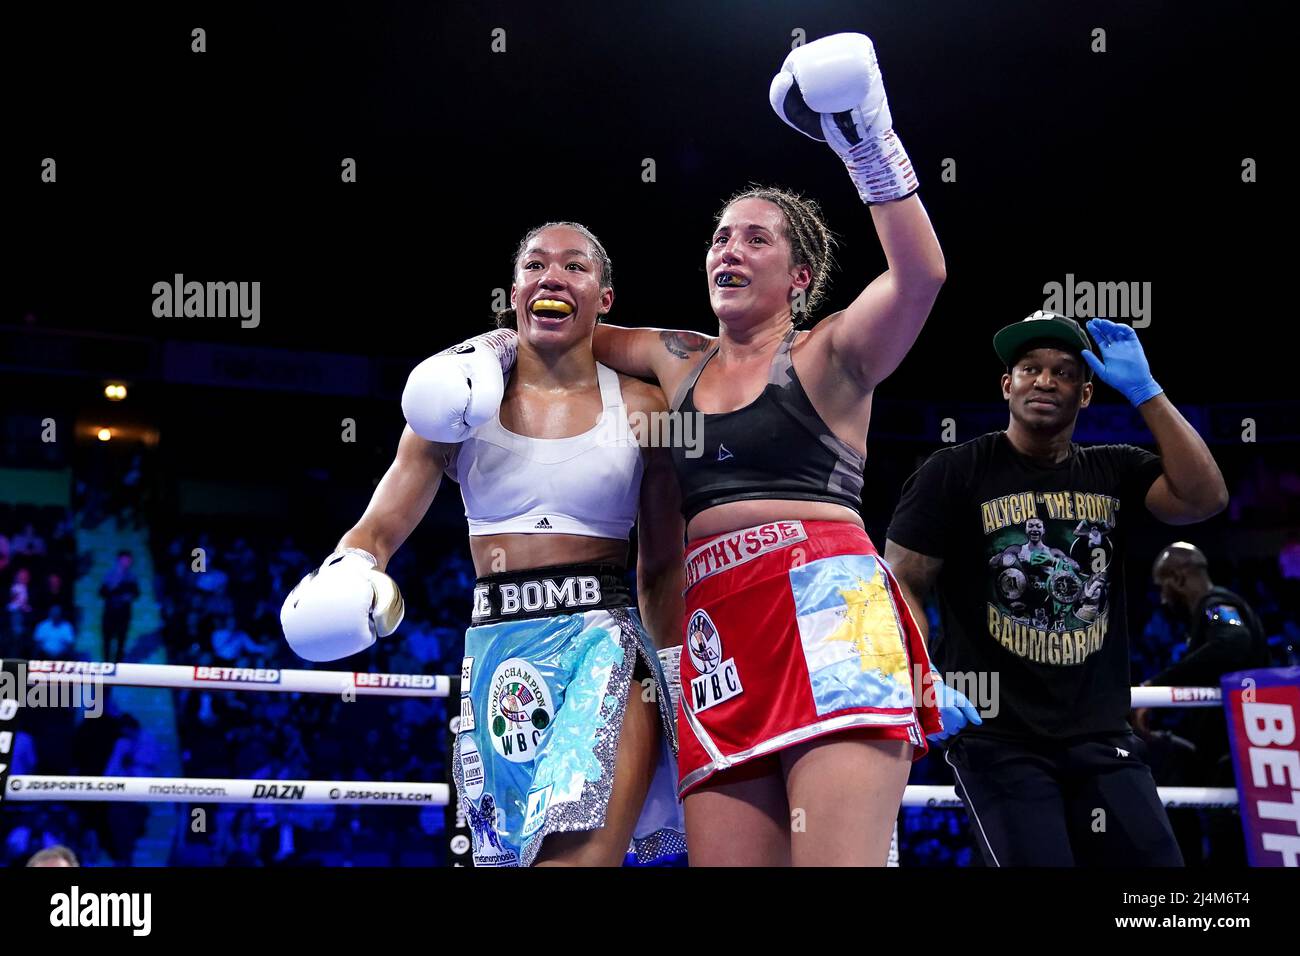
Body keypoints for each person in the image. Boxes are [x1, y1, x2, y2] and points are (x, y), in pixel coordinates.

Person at [461, 33, 962, 865]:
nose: (729, 250)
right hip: (716, 632)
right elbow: (558, 319)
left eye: (756, 240)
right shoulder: (676, 356)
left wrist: (865, 141)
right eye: (721, 238)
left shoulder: (831, 354)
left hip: (827, 609)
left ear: (800, 278)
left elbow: (922, 278)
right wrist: (474, 356)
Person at [283, 222, 684, 867]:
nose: (552, 276)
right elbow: (379, 527)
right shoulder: (456, 407)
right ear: (514, 291)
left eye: (575, 266)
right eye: (535, 265)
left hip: (605, 648)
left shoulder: (645, 408)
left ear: (604, 298)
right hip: (498, 648)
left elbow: (663, 567)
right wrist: (351, 567)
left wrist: (675, 677)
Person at [885, 310, 1229, 866]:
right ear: (1007, 385)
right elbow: (902, 580)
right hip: (995, 738)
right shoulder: (954, 471)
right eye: (1029, 369)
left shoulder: (1114, 470)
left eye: (1064, 373)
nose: (1045, 381)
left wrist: (1145, 391)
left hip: (1101, 735)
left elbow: (1203, 500)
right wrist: (922, 680)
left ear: (1087, 393)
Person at [1139, 541, 1271, 864]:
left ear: (1179, 578)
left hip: (1238, 752)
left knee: (1229, 843)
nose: (1163, 598)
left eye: (1163, 586)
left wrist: (1155, 686)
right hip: (1228, 751)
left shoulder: (1217, 605)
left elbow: (1232, 643)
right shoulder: (1205, 617)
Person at [99, 550, 140, 662]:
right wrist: (114, 584)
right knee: (107, 640)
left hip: (124, 613)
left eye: (129, 560)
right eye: (124, 560)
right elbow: (102, 593)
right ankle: (106, 664)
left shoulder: (132, 577)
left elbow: (136, 593)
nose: (127, 562)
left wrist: (129, 597)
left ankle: (118, 665)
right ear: (119, 560)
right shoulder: (109, 575)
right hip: (110, 612)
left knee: (121, 640)